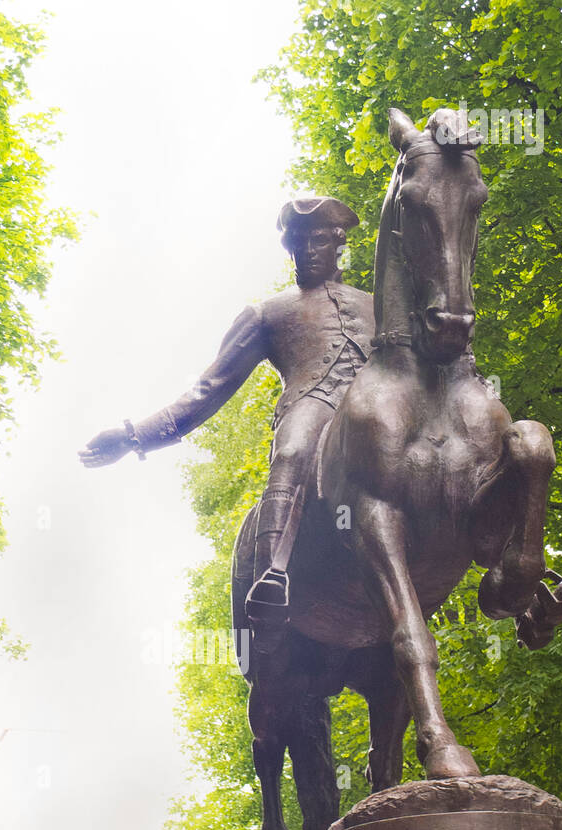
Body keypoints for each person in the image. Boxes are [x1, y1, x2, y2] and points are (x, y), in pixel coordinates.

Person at [80, 197, 372, 649]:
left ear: (338, 242)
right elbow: (206, 390)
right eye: (297, 242)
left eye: (317, 240)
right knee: (293, 450)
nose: (307, 251)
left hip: (378, 416)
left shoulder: (380, 307)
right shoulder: (266, 315)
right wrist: (134, 434)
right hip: (312, 405)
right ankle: (275, 573)